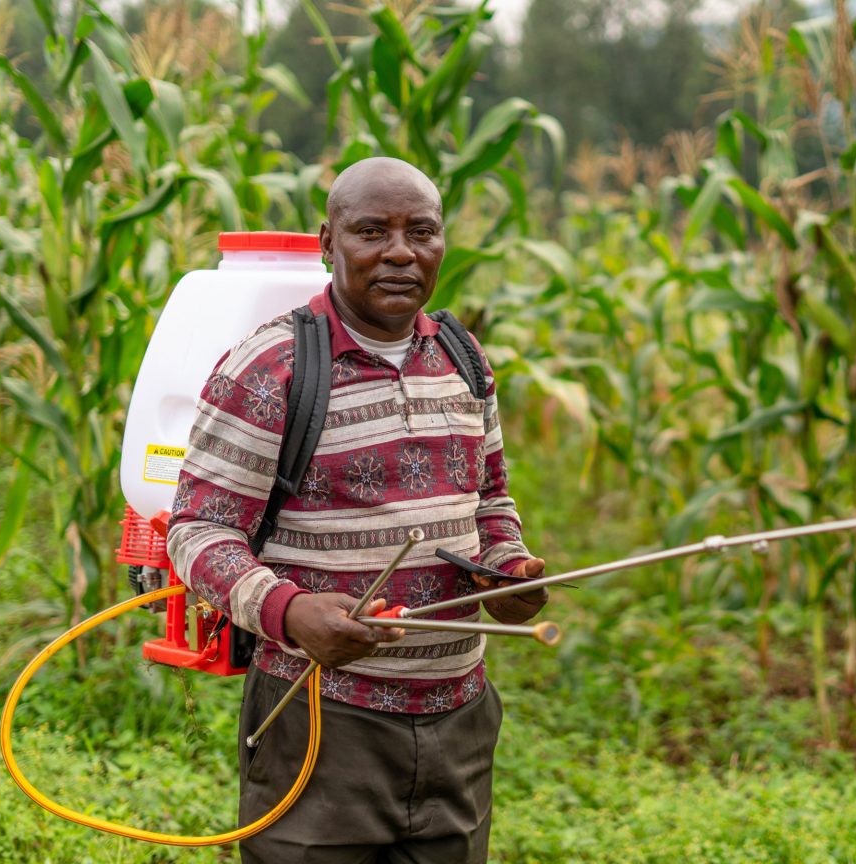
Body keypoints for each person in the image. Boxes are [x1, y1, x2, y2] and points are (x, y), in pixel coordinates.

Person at [166, 156, 548, 863]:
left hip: (458, 715)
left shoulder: (463, 358)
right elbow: (198, 530)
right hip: (320, 717)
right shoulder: (272, 367)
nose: (401, 252)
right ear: (327, 243)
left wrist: (508, 568)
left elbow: (490, 499)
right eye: (373, 231)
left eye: (422, 232)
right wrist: (290, 612)